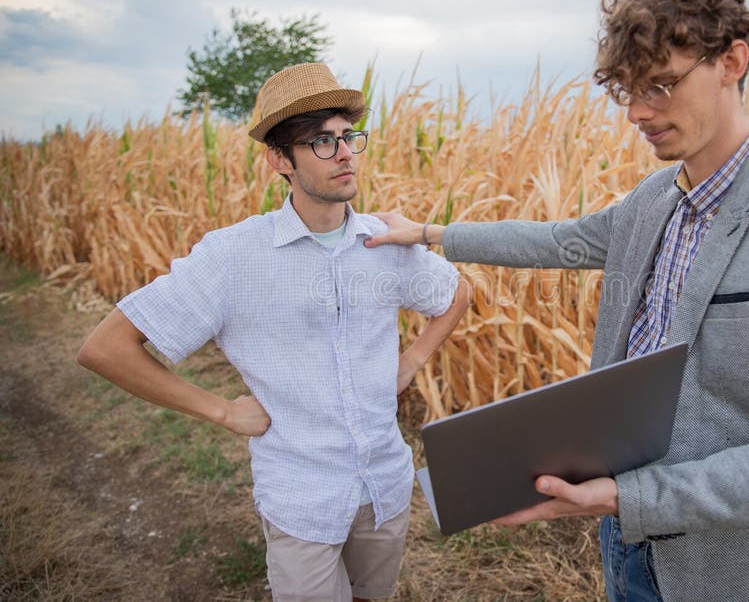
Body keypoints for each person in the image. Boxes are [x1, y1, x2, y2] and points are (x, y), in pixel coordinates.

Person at [363, 0, 749, 600]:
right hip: (623, 539)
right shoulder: (654, 202)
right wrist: (429, 234)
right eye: (629, 92)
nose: (638, 112)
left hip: (724, 572)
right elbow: (559, 240)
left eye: (661, 85)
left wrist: (638, 496)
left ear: (732, 61)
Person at [77, 62, 472, 601]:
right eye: (321, 143)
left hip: (384, 485)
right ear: (279, 160)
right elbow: (106, 348)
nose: (345, 154)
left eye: (348, 137)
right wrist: (220, 411)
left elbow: (457, 294)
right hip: (301, 498)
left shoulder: (384, 241)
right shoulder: (233, 257)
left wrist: (414, 360)